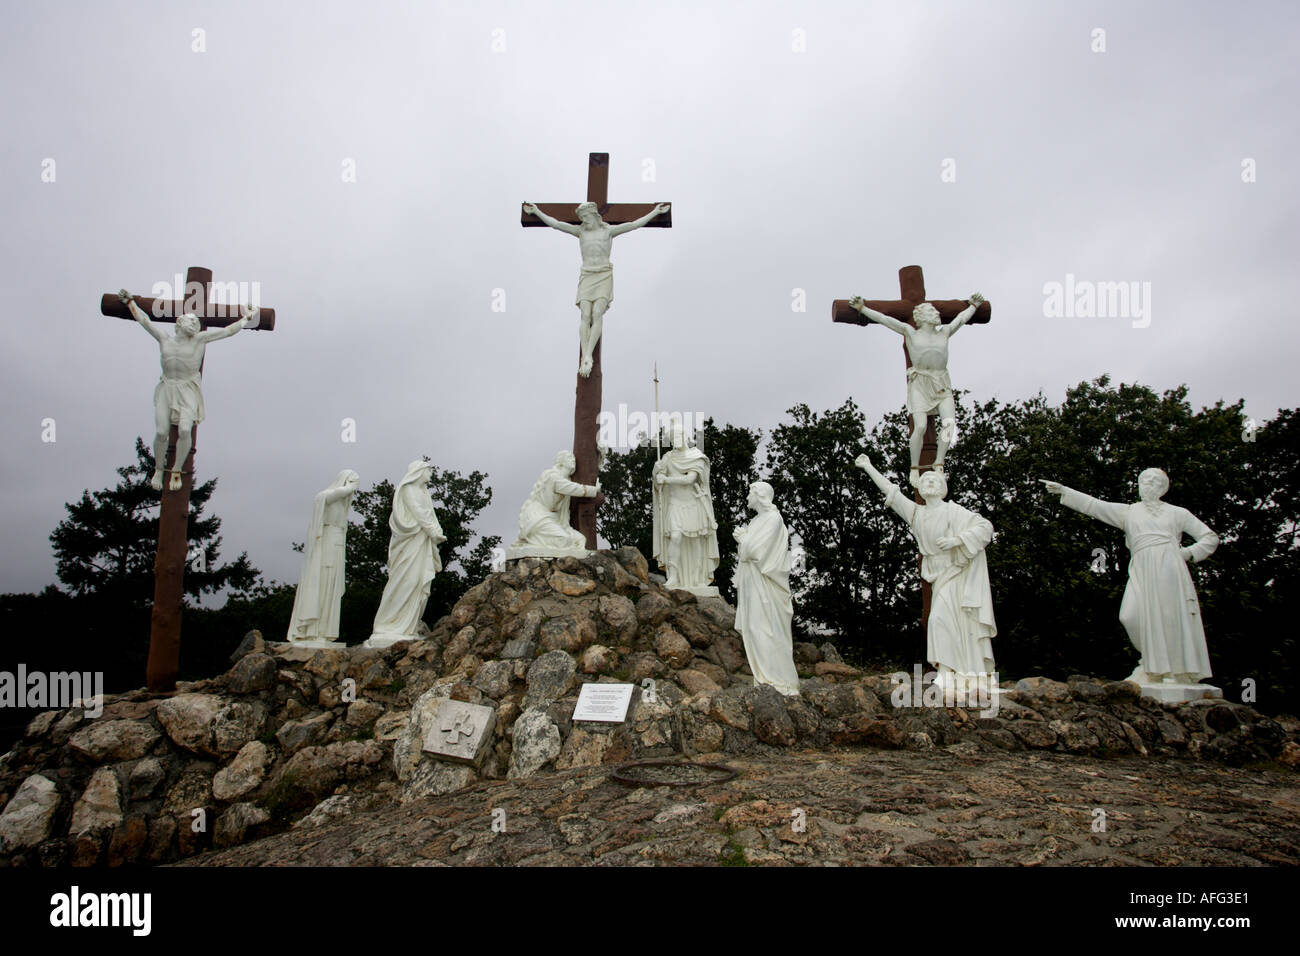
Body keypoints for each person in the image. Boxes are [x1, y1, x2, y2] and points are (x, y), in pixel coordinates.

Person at [1040, 469, 1219, 683]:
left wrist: (1188, 553)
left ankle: (1171, 670)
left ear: (1163, 487)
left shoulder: (1177, 513)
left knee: (1170, 617)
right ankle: (1152, 661)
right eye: (1143, 481)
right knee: (1130, 615)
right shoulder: (1130, 512)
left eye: (1153, 482)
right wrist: (1065, 491)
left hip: (1169, 567)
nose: (1147, 485)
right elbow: (1096, 506)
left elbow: (1209, 537)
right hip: (1141, 567)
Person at [856, 455, 997, 692]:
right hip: (938, 575)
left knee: (947, 620)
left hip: (958, 571)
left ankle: (953, 673)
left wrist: (956, 540)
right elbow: (892, 492)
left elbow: (985, 527)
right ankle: (948, 672)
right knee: (942, 620)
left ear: (942, 488)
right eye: (926, 480)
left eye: (934, 479)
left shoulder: (954, 511)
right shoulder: (916, 514)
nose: (930, 482)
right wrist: (868, 467)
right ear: (920, 488)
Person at [118, 289, 258, 491]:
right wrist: (130, 302)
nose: (195, 324)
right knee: (161, 432)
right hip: (167, 386)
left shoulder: (199, 339)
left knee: (185, 429)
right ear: (179, 323)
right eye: (191, 321)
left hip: (188, 388)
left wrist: (246, 318)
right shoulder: (164, 339)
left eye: (197, 322)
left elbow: (227, 331)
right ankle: (159, 469)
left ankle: (176, 470)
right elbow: (145, 321)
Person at [847, 292, 984, 487]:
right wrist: (862, 308)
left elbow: (960, 319)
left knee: (949, 424)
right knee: (919, 426)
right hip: (920, 383)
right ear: (921, 315)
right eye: (931, 310)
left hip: (941, 383)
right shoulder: (910, 332)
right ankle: (914, 467)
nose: (936, 312)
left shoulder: (944, 332)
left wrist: (973, 306)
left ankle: (939, 462)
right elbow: (885, 319)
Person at [522, 200, 670, 377]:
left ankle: (588, 354)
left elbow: (634, 225)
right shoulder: (581, 232)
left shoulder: (608, 231)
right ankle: (586, 355)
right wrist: (537, 211)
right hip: (587, 274)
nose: (584, 220)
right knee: (585, 314)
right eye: (582, 218)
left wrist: (655, 212)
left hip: (603, 274)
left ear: (594, 215)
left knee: (597, 313)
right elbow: (556, 224)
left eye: (586, 216)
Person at [733, 481, 801, 696]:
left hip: (766, 586)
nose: (747, 498)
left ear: (760, 495)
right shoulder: (756, 521)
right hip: (753, 583)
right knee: (755, 629)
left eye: (750, 493)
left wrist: (743, 539)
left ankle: (778, 680)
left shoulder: (772, 519)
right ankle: (765, 678)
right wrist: (744, 541)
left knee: (765, 629)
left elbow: (756, 551)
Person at [367, 460, 444, 647]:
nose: (431, 474)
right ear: (419, 472)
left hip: (421, 541)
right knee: (405, 580)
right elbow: (419, 513)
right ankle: (390, 624)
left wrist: (436, 531)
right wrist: (433, 532)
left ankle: (407, 624)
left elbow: (429, 515)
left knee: (418, 582)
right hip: (410, 543)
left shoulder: (423, 492)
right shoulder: (409, 490)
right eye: (428, 470)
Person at [286, 470, 360, 645]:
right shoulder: (325, 497)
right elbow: (333, 495)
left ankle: (323, 630)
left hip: (337, 546)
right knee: (322, 584)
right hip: (326, 546)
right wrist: (349, 487)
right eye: (353, 484)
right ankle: (312, 629)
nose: (354, 490)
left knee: (332, 589)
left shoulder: (342, 505)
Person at [652, 422, 720, 590]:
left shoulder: (696, 457)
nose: (675, 440)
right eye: (672, 438)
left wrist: (666, 479)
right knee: (675, 537)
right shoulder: (667, 458)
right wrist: (656, 473)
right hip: (675, 504)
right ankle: (674, 576)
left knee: (695, 541)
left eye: (678, 436)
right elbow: (658, 481)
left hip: (692, 504)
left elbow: (689, 479)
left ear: (685, 437)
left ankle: (697, 578)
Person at [513, 451, 600, 551]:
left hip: (553, 519)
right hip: (538, 516)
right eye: (569, 457)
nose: (573, 460)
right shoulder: (552, 476)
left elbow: (564, 513)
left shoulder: (566, 481)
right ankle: (535, 543)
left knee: (580, 540)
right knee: (564, 540)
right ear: (561, 462)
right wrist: (594, 489)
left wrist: (566, 527)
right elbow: (575, 488)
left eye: (573, 458)